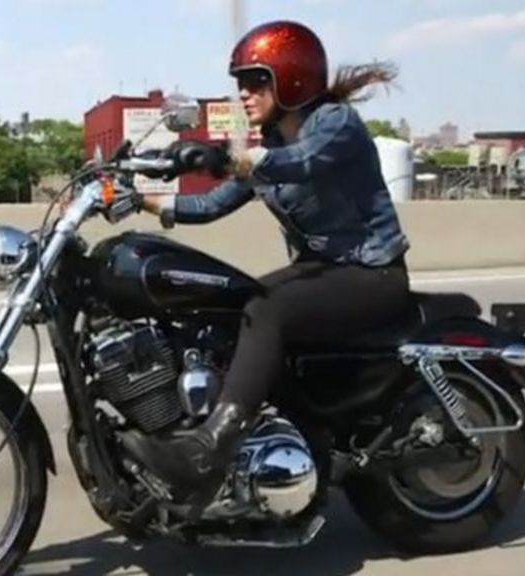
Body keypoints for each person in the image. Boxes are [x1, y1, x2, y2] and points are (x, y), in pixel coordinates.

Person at [121, 20, 413, 513]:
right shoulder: (272, 142)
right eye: (241, 82)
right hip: (322, 272)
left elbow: (302, 163)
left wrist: (231, 158)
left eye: (255, 80)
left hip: (371, 274)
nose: (244, 93)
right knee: (232, 304)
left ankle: (210, 447)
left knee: (266, 308)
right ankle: (252, 434)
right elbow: (213, 203)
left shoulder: (334, 125)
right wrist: (140, 200)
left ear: (291, 76)